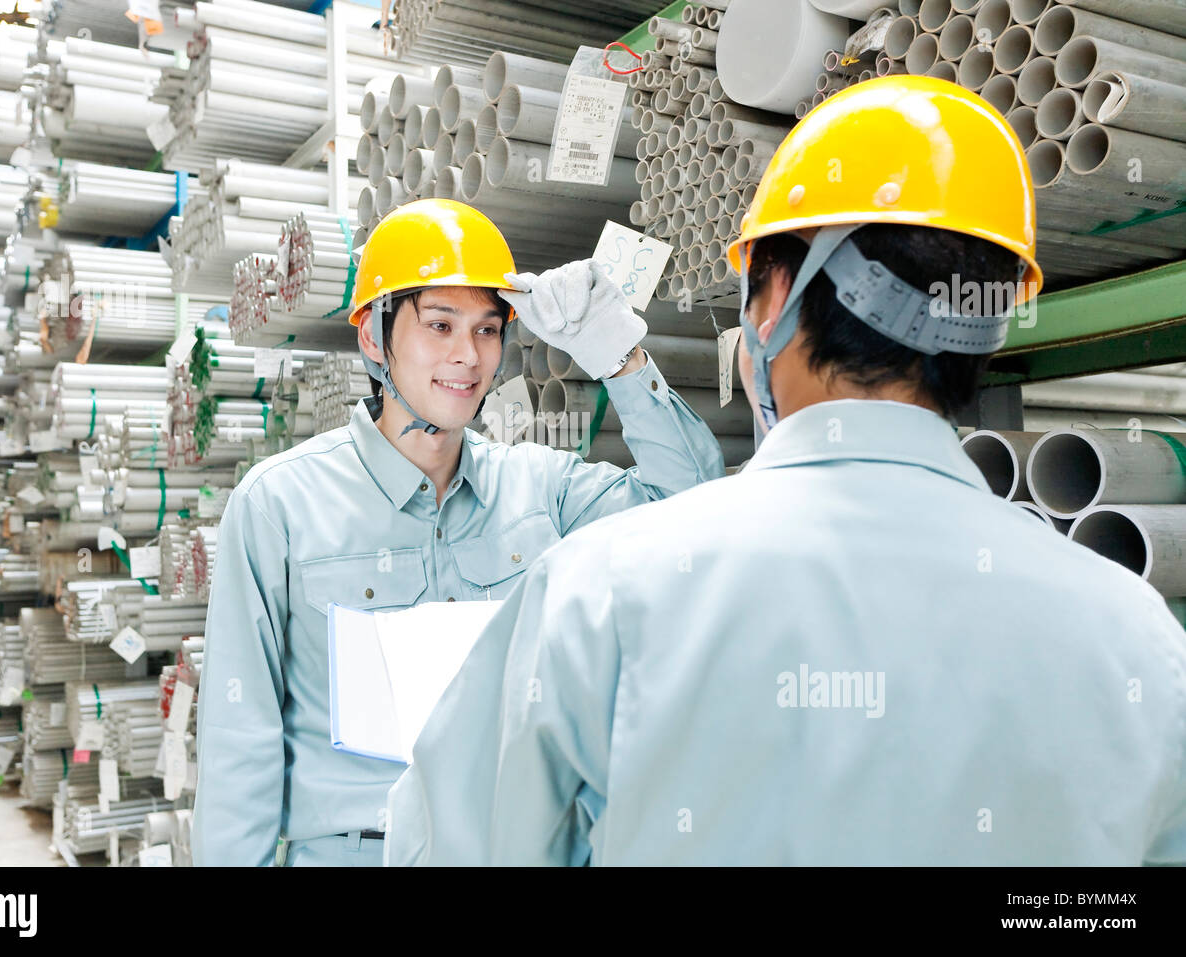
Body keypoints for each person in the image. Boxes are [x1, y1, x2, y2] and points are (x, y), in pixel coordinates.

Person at [384, 77, 1186, 865]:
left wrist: (626, 363)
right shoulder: (1137, 640)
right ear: (988, 319)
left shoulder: (598, 599)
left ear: (771, 303)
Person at [191, 199, 725, 866]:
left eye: (487, 329)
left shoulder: (541, 491)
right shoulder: (279, 508)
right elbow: (240, 746)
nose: (467, 356)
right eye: (440, 324)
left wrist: (620, 357)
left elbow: (695, 515)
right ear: (371, 336)